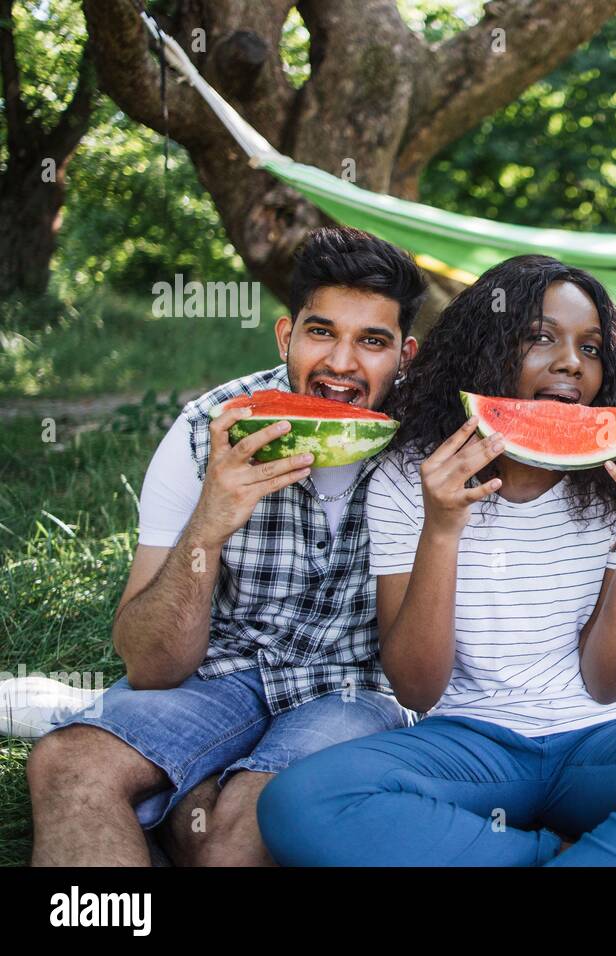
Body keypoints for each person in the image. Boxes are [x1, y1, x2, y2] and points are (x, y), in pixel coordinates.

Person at [255, 254, 616, 866]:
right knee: (300, 801)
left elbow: (610, 681)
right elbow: (417, 685)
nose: (571, 361)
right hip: (472, 744)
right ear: (487, 348)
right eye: (541, 338)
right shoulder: (410, 475)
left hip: (607, 741)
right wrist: (441, 528)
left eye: (591, 348)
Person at [26, 227, 425, 866]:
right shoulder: (206, 428)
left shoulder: (429, 448)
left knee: (236, 832)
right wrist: (208, 527)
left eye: (371, 341)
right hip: (217, 676)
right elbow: (150, 665)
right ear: (285, 336)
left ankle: (182, 817)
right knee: (68, 763)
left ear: (405, 355)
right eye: (321, 332)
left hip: (352, 691)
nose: (342, 364)